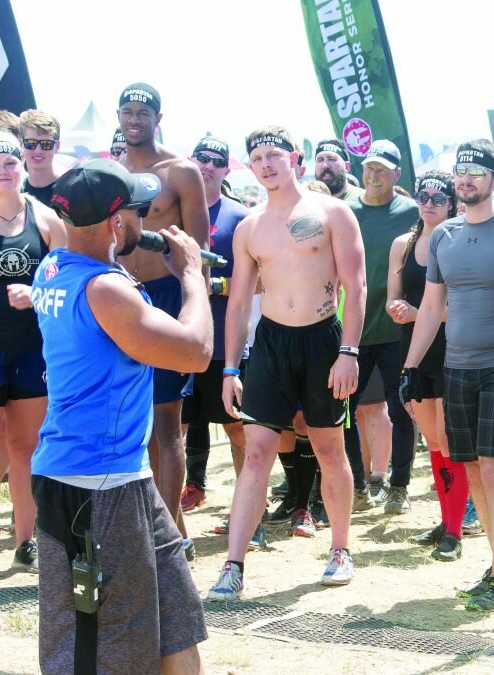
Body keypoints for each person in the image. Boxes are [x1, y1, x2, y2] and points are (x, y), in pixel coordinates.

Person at [32, 158, 208, 673]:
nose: (144, 222)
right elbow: (195, 352)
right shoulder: (106, 289)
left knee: (176, 619)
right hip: (92, 484)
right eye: (137, 212)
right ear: (116, 223)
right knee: (109, 645)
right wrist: (192, 276)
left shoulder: (53, 266)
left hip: (124, 478)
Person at [208, 125, 365, 599]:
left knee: (328, 449)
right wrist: (230, 369)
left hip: (323, 342)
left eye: (274, 155)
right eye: (257, 159)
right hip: (272, 345)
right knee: (256, 452)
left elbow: (355, 287)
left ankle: (339, 548)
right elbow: (238, 304)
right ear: (249, 167)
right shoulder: (250, 227)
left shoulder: (333, 212)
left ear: (295, 158)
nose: (266, 165)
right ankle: (234, 564)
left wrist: (349, 352)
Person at [400, 138, 494, 613]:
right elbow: (431, 308)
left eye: (476, 172)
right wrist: (410, 367)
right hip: (457, 368)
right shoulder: (444, 235)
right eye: (460, 172)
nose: (465, 179)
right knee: (471, 469)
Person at [116, 83, 209, 552]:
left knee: (166, 420)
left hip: (167, 294)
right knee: (126, 418)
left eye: (143, 112)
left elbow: (200, 252)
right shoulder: (107, 173)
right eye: (127, 111)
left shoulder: (181, 172)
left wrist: (198, 308)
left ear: (158, 117)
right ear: (118, 116)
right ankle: (147, 525)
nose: (134, 119)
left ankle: (167, 536)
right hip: (116, 297)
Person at [0, 131, 67, 571]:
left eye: (10, 163)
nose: (3, 171)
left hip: (33, 350)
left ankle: (25, 540)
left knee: (24, 447)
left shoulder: (46, 218)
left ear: (22, 167)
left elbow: (69, 278)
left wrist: (36, 293)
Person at [387, 170, 468, 560]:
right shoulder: (403, 244)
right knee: (434, 442)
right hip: (416, 348)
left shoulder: (463, 240)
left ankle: (455, 529)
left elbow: (469, 306)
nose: (430, 202)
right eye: (424, 195)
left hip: (455, 350)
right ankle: (446, 518)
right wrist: (399, 309)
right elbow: (393, 298)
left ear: (452, 202)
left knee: (452, 442)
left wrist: (422, 313)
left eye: (439, 196)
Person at [345, 139, 420, 513]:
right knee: (343, 412)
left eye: (382, 170)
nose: (374, 175)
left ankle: (399, 486)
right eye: (369, 168)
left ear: (397, 174)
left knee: (402, 408)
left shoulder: (412, 213)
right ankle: (357, 486)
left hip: (396, 331)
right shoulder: (344, 210)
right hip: (351, 331)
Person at [179, 136, 249, 519]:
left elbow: (262, 279)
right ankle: (170, 516)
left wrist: (217, 286)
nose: (207, 165)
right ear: (190, 161)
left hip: (224, 343)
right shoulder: (169, 209)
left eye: (216, 160)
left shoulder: (239, 217)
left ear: (226, 168)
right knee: (175, 429)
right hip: (178, 338)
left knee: (238, 429)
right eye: (201, 158)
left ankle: (248, 509)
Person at [18, 109, 63, 205]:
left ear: (57, 146)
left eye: (46, 144)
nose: (38, 151)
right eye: (30, 143)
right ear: (21, 144)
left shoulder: (70, 191)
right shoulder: (15, 192)